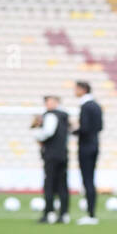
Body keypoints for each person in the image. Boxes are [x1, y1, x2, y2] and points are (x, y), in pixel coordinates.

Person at [32, 95, 69, 224]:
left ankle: (49, 213)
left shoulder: (50, 115)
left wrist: (36, 133)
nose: (46, 105)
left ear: (56, 102)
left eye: (48, 102)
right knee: (62, 185)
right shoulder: (64, 116)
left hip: (52, 154)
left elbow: (48, 132)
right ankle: (64, 214)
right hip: (63, 154)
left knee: (49, 184)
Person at [73, 81, 103, 225]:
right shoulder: (96, 105)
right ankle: (91, 213)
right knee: (91, 179)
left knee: (87, 180)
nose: (74, 91)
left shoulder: (85, 106)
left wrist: (73, 130)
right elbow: (100, 126)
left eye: (76, 89)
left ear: (83, 89)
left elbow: (84, 128)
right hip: (95, 144)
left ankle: (90, 215)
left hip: (85, 146)